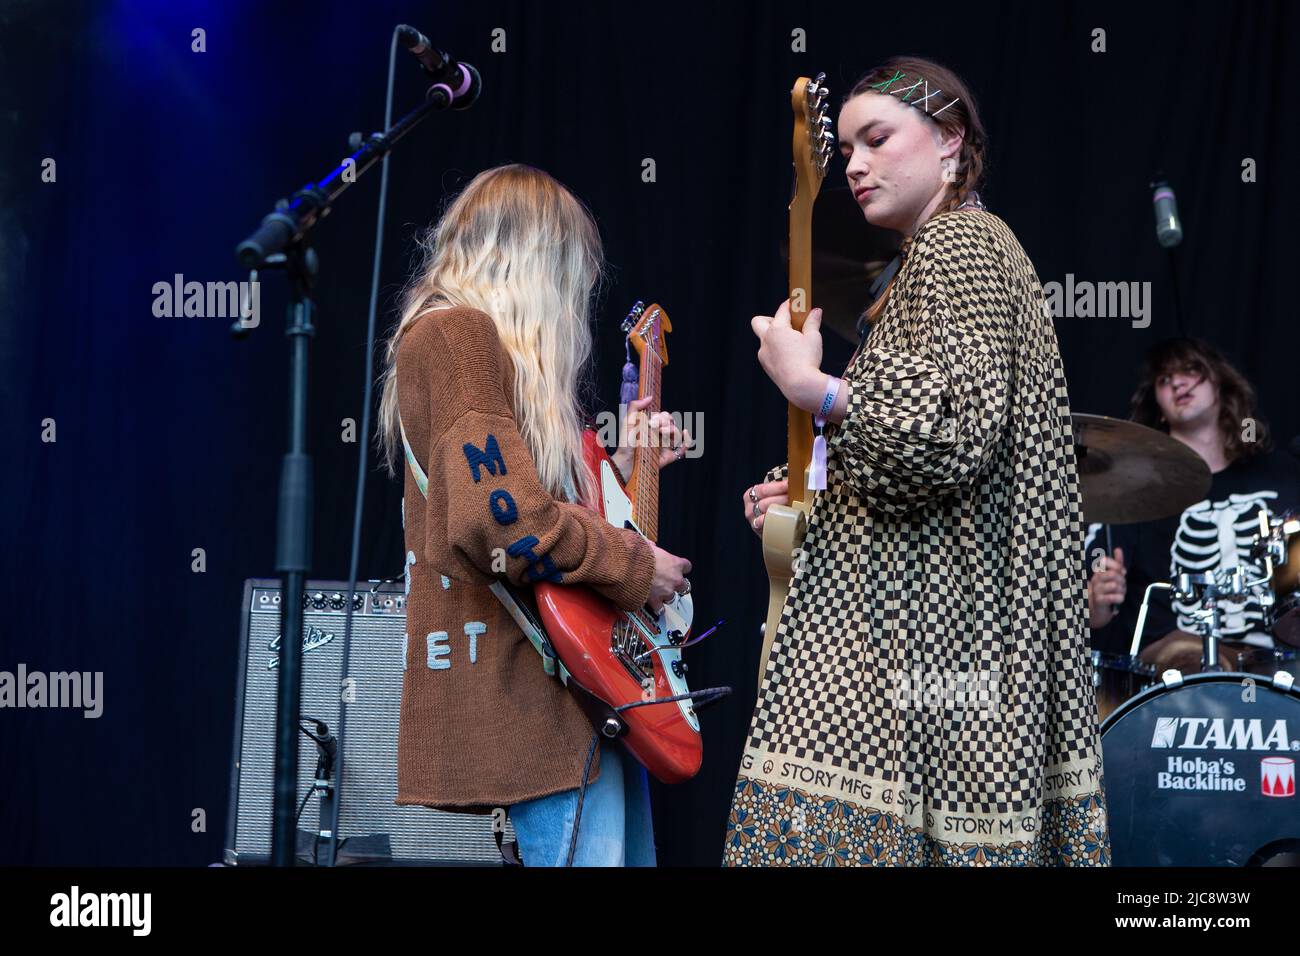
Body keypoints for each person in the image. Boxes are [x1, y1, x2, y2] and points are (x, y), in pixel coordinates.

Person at [729, 57, 1109, 866]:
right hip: (946, 643)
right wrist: (810, 500)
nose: (856, 166)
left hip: (938, 646)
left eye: (877, 139)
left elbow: (947, 437)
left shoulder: (962, 243)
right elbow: (923, 457)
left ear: (948, 141)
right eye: (846, 148)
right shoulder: (943, 254)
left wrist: (812, 385)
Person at [377, 164, 693, 866]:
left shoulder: (479, 358)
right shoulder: (455, 336)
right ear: (536, 262)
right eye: (571, 273)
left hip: (578, 697)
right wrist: (638, 565)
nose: (574, 300)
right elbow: (505, 523)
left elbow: (523, 506)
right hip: (537, 695)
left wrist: (620, 471)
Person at [1086, 337, 1300, 673]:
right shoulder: (1133, 494)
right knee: (1190, 659)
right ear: (1158, 404)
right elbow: (1094, 609)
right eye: (1164, 380)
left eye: (1191, 370)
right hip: (1177, 657)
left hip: (1278, 652)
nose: (1177, 383)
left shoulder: (1283, 474)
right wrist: (1096, 603)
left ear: (1220, 382)